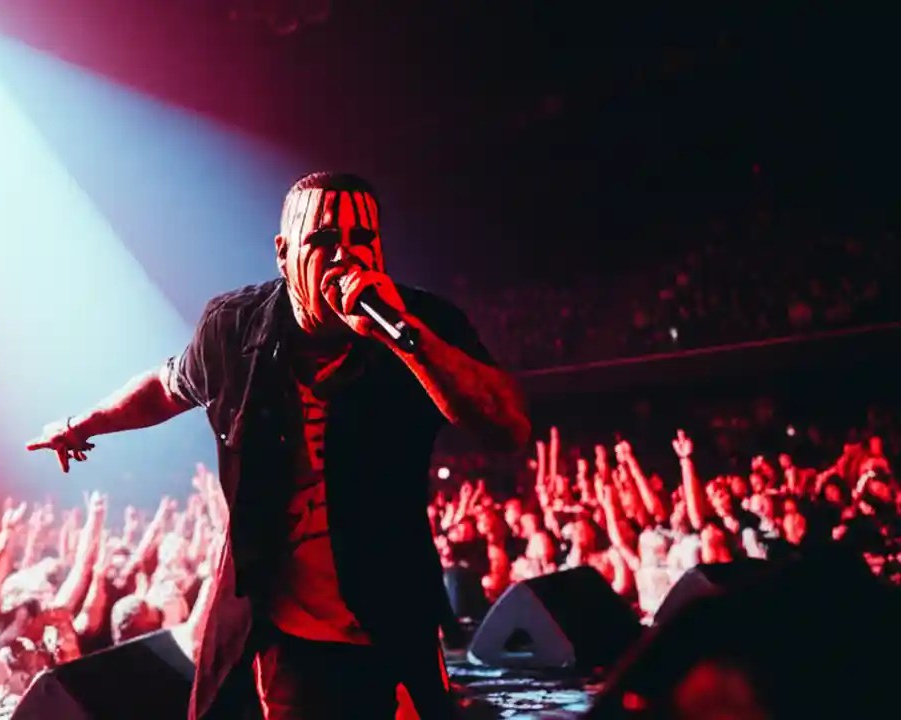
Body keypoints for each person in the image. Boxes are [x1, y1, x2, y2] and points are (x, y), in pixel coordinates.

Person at [27, 172, 530, 719]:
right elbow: (166, 387)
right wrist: (84, 424)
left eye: (363, 240)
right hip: (276, 628)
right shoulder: (233, 329)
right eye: (324, 241)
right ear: (284, 253)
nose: (347, 257)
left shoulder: (421, 322)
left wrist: (404, 336)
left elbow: (507, 426)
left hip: (390, 614)